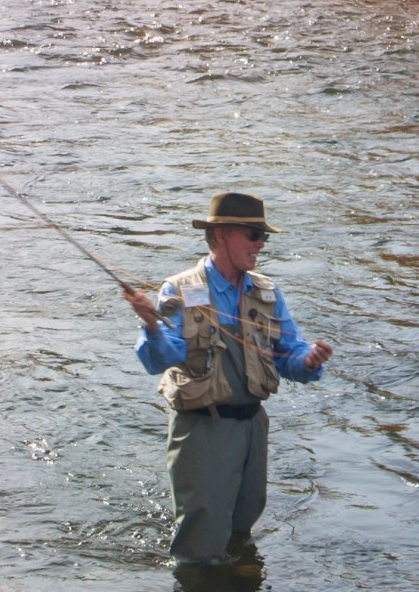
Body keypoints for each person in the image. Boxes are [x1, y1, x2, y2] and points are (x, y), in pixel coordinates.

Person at [125, 191, 332, 569]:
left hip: (252, 427)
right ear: (221, 235)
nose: (260, 244)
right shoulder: (179, 289)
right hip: (202, 429)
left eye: (263, 236)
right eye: (253, 234)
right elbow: (160, 358)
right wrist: (151, 323)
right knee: (200, 546)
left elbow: (291, 357)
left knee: (242, 525)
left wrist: (310, 359)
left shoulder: (266, 291)